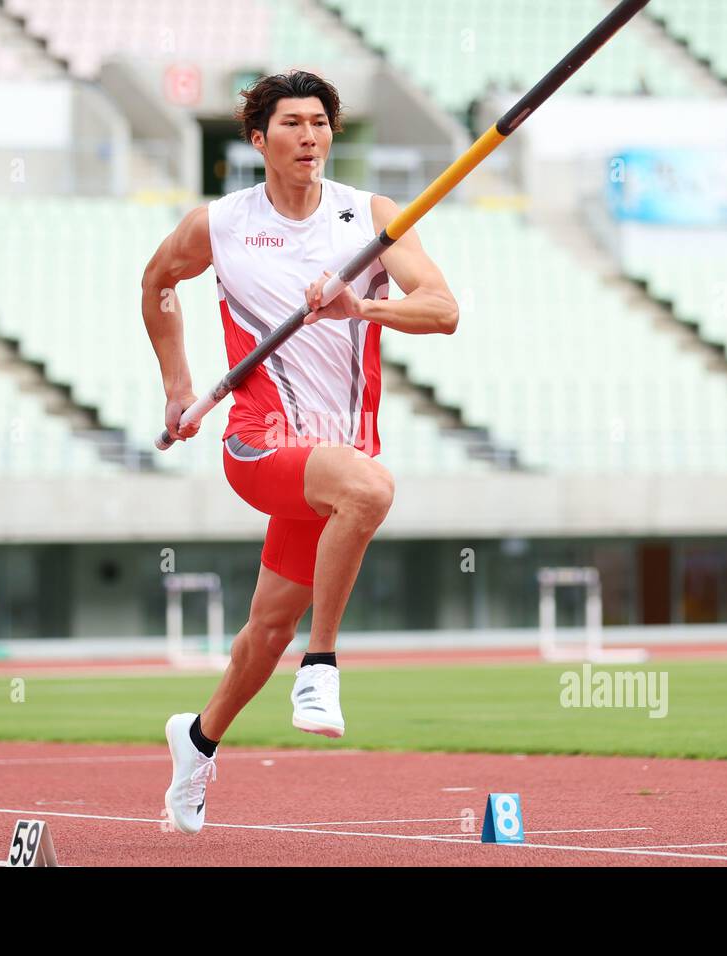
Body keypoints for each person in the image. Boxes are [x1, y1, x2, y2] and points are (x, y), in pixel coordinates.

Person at [141, 70, 459, 835]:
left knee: (267, 626)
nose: (310, 134)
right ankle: (321, 669)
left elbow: (442, 310)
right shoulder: (217, 225)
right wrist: (177, 387)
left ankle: (198, 739)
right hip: (261, 444)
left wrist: (363, 304)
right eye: (291, 123)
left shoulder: (372, 218)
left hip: (332, 453)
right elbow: (157, 284)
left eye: (320, 121)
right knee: (371, 491)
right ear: (259, 139)